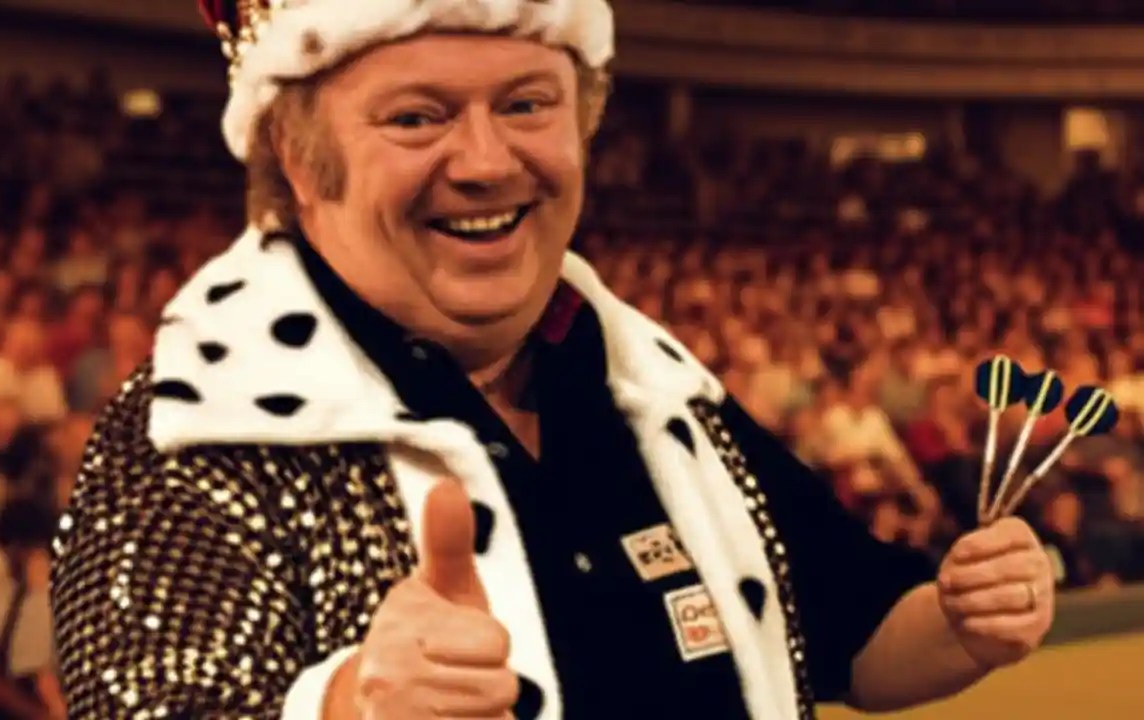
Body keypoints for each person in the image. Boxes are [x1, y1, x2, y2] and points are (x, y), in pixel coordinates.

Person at [51, 1, 1056, 718]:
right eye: (417, 117)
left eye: (527, 105)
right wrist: (347, 705)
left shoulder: (653, 390)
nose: (487, 162)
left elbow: (856, 638)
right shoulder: (195, 432)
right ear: (297, 158)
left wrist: (961, 621)